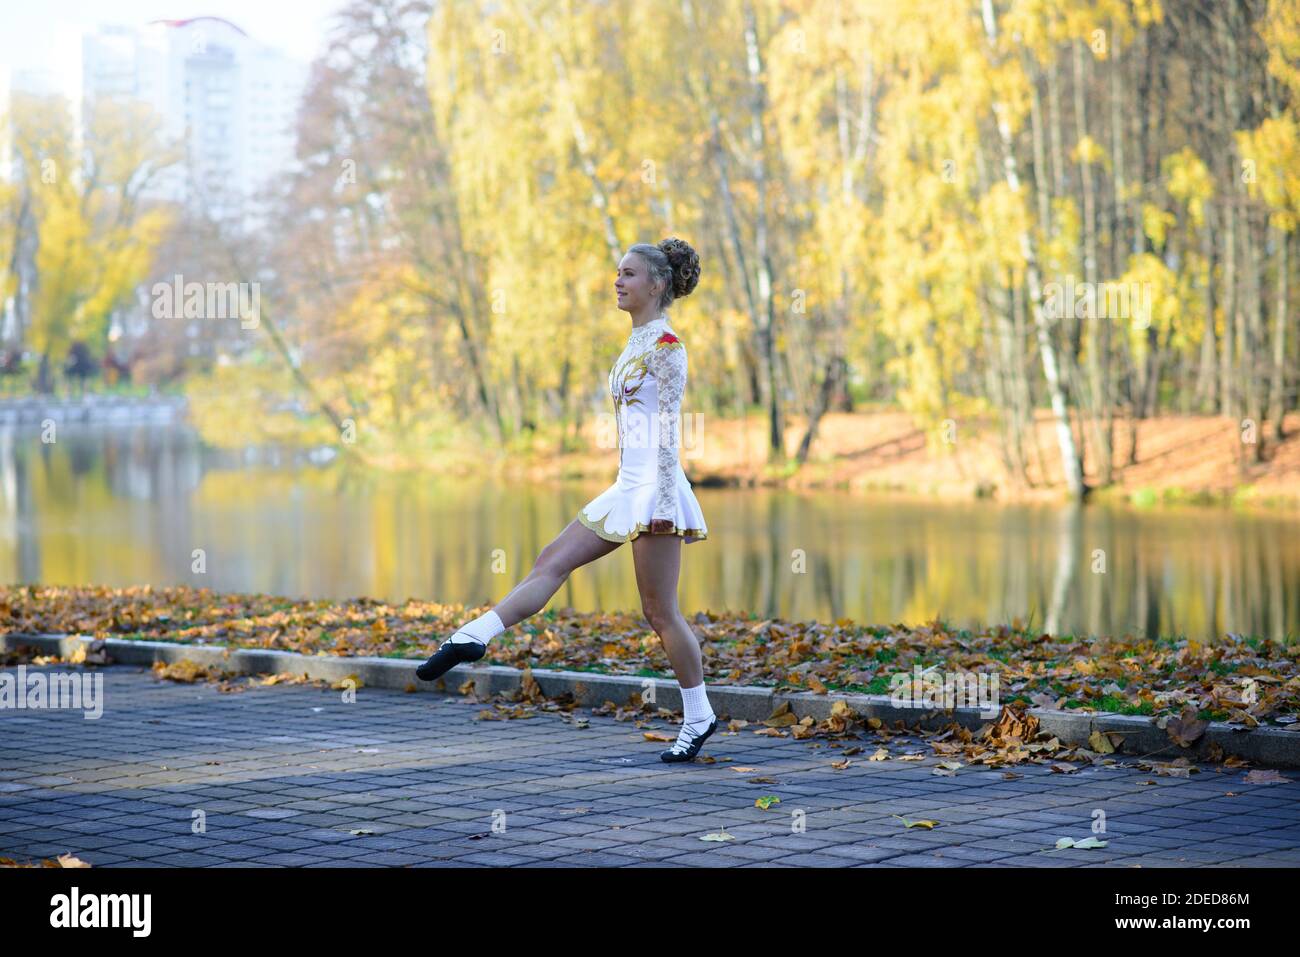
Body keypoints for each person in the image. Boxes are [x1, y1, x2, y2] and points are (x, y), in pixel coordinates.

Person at [416, 237, 716, 762]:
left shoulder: (667, 348)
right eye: (617, 273)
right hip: (626, 486)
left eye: (629, 274)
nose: (618, 282)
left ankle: (699, 714)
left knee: (659, 612)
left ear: (658, 284)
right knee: (550, 560)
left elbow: (669, 435)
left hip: (657, 491)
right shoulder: (635, 342)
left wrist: (664, 505)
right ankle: (471, 636)